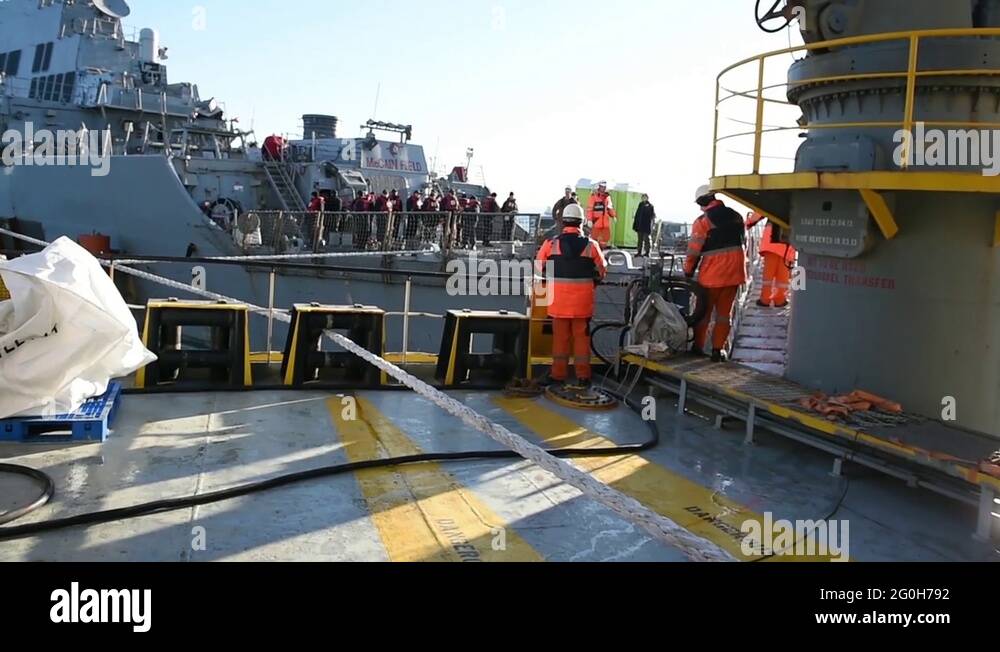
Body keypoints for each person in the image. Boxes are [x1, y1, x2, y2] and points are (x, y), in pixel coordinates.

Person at [535, 204, 608, 389]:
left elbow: (538, 267)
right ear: (581, 222)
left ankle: (558, 375)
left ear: (563, 222)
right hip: (582, 304)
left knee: (560, 340)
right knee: (581, 341)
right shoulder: (592, 246)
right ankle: (583, 377)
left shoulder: (551, 244)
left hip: (558, 304)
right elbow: (602, 270)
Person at [685, 185, 748, 363]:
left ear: (702, 201)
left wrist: (688, 271)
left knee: (703, 312)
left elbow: (694, 250)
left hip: (712, 275)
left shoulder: (703, 221)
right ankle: (717, 350)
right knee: (724, 314)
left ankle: (697, 347)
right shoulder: (736, 216)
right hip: (735, 273)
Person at [746, 212, 796, 308]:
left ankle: (765, 300)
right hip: (788, 242)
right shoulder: (795, 203)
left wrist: (748, 222)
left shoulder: (773, 203)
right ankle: (780, 300)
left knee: (768, 274)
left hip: (771, 241)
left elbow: (758, 212)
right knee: (783, 274)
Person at [587, 181, 617, 248]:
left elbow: (610, 208)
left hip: (605, 223)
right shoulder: (594, 196)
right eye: (602, 186)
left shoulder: (607, 197)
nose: (603, 188)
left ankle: (601, 254)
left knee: (604, 241)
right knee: (594, 241)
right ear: (599, 187)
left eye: (604, 187)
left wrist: (613, 215)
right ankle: (594, 254)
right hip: (596, 222)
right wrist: (589, 220)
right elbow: (590, 209)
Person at [632, 193, 656, 258]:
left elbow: (653, 216)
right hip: (640, 226)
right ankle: (639, 252)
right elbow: (637, 215)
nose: (643, 198)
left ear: (647, 198)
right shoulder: (640, 205)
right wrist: (635, 225)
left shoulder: (650, 206)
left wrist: (652, 225)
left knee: (647, 240)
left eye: (645, 197)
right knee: (640, 240)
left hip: (646, 226)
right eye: (642, 197)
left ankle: (647, 252)